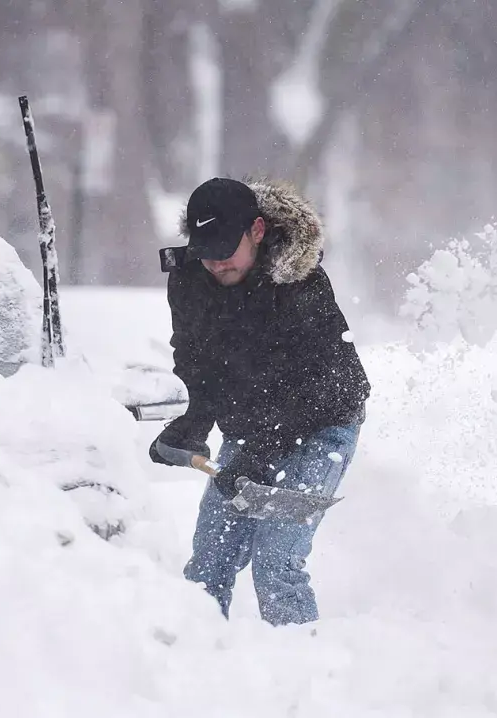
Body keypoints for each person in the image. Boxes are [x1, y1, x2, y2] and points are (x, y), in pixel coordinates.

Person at [150, 177, 370, 626]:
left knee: (276, 566)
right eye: (205, 249)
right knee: (208, 564)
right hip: (252, 427)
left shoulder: (299, 283)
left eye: (226, 249)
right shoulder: (191, 277)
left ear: (257, 230)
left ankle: (305, 677)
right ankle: (195, 668)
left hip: (322, 420)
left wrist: (261, 456)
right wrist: (195, 420)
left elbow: (319, 387)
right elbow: (196, 358)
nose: (215, 262)